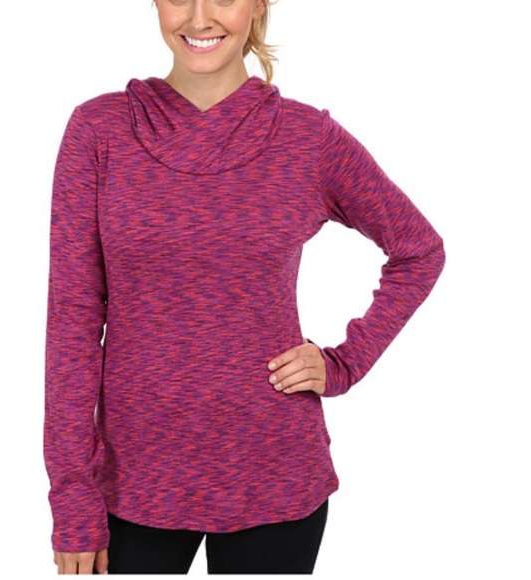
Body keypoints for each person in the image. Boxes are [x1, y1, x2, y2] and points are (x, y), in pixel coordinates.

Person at [44, 0, 445, 574]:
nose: (199, 18)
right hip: (132, 482)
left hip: (276, 474)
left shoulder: (307, 139)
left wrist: (344, 362)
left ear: (258, 5)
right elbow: (73, 321)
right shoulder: (100, 130)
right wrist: (71, 495)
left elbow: (419, 249)